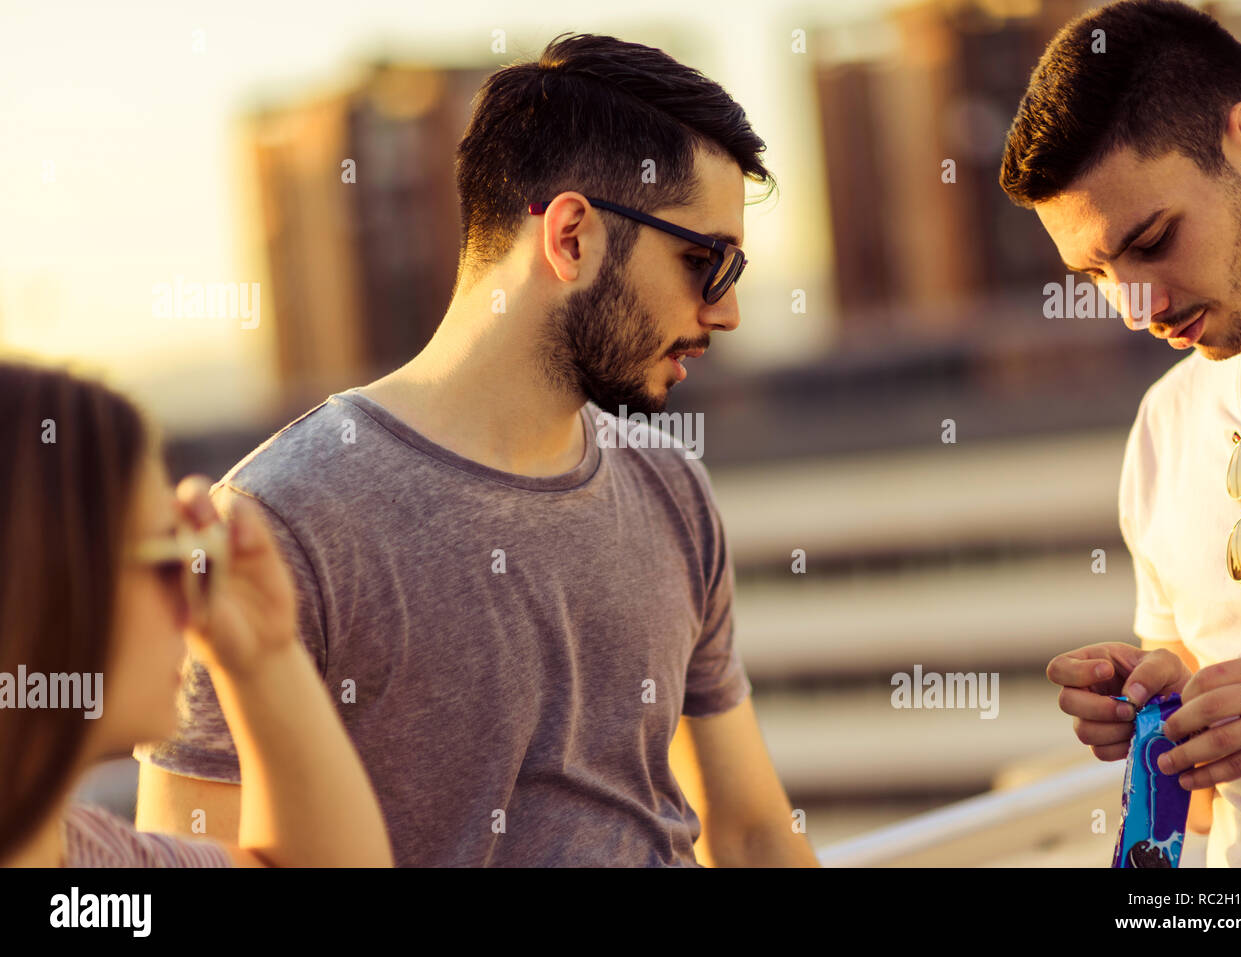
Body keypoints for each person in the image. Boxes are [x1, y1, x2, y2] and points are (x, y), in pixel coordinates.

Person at [135, 32, 819, 867]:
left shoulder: (671, 488)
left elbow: (749, 834)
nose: (727, 311)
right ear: (571, 236)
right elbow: (180, 854)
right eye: (706, 263)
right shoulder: (279, 524)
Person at [1001, 0, 1241, 866]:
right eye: (1097, 272)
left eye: (1154, 240)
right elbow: (1208, 810)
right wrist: (1157, 719)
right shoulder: (1166, 427)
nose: (1136, 308)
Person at [0, 359, 392, 867]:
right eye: (168, 557)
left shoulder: (88, 855)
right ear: (49, 580)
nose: (192, 601)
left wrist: (263, 654)